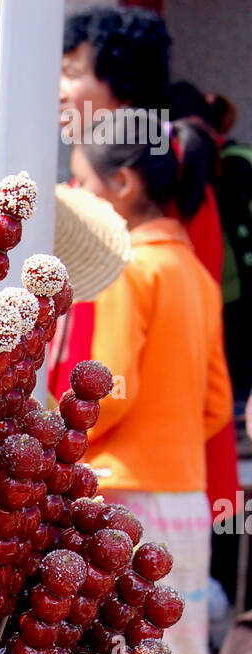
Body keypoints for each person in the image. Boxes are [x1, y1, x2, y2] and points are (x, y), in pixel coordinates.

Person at [67, 127, 252, 654]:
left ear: (120, 189)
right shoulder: (195, 273)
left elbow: (111, 389)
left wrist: (59, 422)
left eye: (77, 180)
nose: (72, 194)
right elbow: (216, 405)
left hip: (126, 490)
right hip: (179, 487)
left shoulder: (127, 269)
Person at [59, 9, 238, 518]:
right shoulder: (101, 188)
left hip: (129, 465)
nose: (60, 88)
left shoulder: (172, 199)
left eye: (74, 72)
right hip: (141, 463)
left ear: (120, 87)